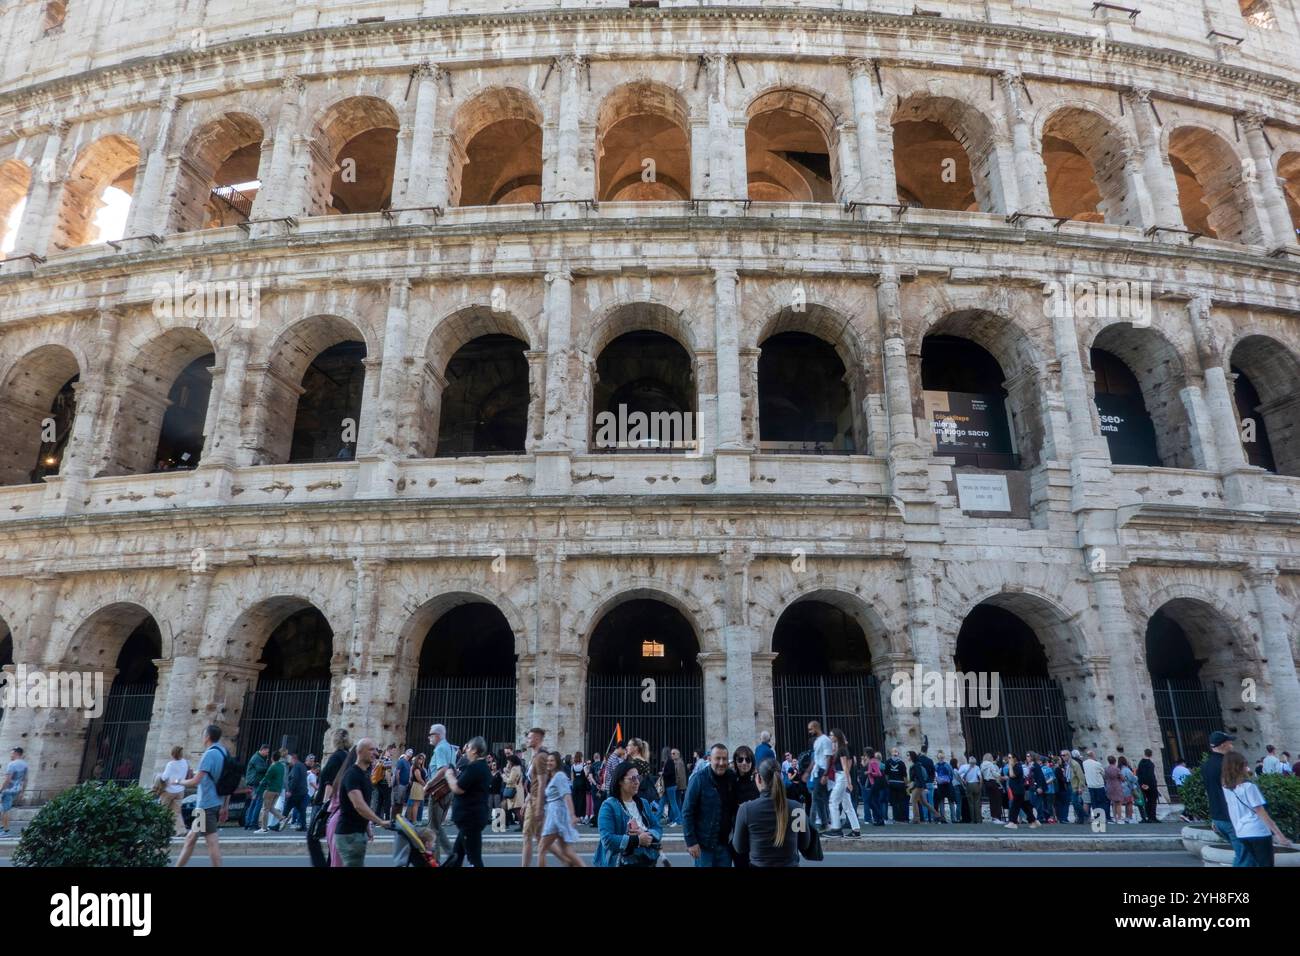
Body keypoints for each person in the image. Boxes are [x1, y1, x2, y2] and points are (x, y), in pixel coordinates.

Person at [732, 757, 810, 867]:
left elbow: (739, 847)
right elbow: (804, 844)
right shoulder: (797, 808)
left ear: (758, 778)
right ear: (781, 777)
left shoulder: (746, 809)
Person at [1221, 750, 1291, 866]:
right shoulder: (1249, 786)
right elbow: (1260, 811)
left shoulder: (1226, 787)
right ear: (1240, 766)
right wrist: (1279, 834)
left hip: (1241, 832)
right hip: (1257, 830)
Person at [176, 725, 232, 867]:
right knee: (190, 838)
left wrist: (178, 781)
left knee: (212, 842)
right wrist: (225, 806)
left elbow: (196, 781)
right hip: (215, 802)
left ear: (207, 737)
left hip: (206, 805)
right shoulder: (224, 752)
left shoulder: (209, 754)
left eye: (202, 735)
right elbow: (228, 781)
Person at [593, 760, 663, 867]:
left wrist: (645, 833)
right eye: (632, 778)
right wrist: (637, 840)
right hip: (619, 862)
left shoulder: (643, 803)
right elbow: (607, 839)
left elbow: (657, 828)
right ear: (620, 781)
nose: (637, 782)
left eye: (638, 778)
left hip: (645, 860)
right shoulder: (609, 806)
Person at [683, 742, 738, 867]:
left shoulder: (732, 778)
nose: (721, 763)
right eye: (717, 758)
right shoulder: (698, 779)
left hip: (725, 845)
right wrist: (691, 842)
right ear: (709, 759)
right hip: (704, 846)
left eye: (724, 759)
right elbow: (687, 811)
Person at [336, 738, 388, 867]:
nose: (375, 753)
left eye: (376, 749)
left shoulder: (365, 774)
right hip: (349, 833)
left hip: (358, 832)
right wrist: (379, 821)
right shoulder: (352, 774)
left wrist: (367, 827)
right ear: (359, 751)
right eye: (371, 749)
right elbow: (358, 805)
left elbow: (364, 804)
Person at [444, 736, 492, 868]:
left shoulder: (475, 767)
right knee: (457, 855)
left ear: (475, 750)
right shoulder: (479, 767)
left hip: (470, 818)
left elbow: (458, 788)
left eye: (469, 748)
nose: (466, 750)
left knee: (474, 858)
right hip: (471, 818)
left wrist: (449, 776)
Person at [1203, 732, 1245, 865]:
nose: (1232, 745)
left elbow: (1209, 791)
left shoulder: (1206, 766)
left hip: (1217, 815)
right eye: (1230, 742)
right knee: (1244, 855)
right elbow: (1238, 790)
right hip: (1231, 815)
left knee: (1242, 854)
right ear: (1224, 745)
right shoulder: (1227, 765)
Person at [538, 751, 586, 867]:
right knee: (566, 851)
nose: (549, 763)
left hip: (556, 815)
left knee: (542, 848)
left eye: (552, 760)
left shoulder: (559, 776)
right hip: (555, 814)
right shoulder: (554, 776)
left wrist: (572, 815)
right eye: (548, 760)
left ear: (557, 762)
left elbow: (567, 795)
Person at [426, 723, 457, 858]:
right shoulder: (451, 748)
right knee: (438, 826)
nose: (429, 737)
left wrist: (428, 784)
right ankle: (452, 854)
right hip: (447, 791)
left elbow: (443, 770)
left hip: (438, 791)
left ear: (437, 736)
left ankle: (435, 861)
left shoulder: (439, 749)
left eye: (431, 734)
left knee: (432, 829)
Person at [827, 729, 860, 837]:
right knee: (847, 805)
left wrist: (849, 782)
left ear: (837, 736)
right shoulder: (840, 748)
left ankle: (836, 829)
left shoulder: (842, 749)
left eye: (832, 735)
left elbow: (846, 767)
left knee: (833, 801)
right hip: (841, 776)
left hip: (841, 777)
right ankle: (856, 829)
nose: (830, 736)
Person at [520, 751, 550, 867]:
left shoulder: (540, 760)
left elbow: (541, 785)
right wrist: (526, 802)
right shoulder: (533, 761)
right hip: (535, 802)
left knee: (532, 837)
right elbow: (535, 786)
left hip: (539, 804)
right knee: (537, 838)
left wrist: (538, 807)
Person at [807, 720, 833, 830]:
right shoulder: (817, 741)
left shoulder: (825, 740)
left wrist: (826, 774)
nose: (809, 731)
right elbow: (816, 759)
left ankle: (823, 822)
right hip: (817, 771)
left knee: (817, 796)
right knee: (820, 797)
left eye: (811, 729)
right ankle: (824, 822)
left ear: (816, 728)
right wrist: (807, 772)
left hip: (822, 770)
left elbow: (828, 757)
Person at [159, 745, 189, 837]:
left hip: (168, 791)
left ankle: (160, 831)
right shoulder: (185, 762)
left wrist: (158, 776)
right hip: (180, 790)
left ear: (172, 754)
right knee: (176, 812)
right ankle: (181, 830)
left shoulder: (170, 764)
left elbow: (164, 777)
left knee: (161, 810)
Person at [1003, 753, 1039, 829]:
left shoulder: (1018, 767)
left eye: (1010, 757)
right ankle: (1034, 821)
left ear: (1015, 758)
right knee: (1025, 807)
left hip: (1018, 790)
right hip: (1016, 790)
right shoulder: (1014, 767)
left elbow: (1012, 775)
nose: (1008, 759)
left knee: (1014, 807)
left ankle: (1013, 822)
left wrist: (1010, 766)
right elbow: (1008, 776)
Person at [255, 749, 286, 833]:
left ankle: (264, 828)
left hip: (270, 789)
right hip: (278, 790)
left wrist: (260, 783)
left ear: (272, 758)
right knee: (271, 807)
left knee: (265, 809)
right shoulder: (281, 766)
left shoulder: (273, 767)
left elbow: (266, 778)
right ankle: (282, 818)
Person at [1, 747, 29, 836]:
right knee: (5, 808)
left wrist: (1, 790)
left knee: (5, 810)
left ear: (16, 753)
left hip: (8, 790)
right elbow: (25, 780)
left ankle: (5, 830)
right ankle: (3, 826)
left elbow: (8, 779)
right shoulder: (25, 765)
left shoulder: (12, 764)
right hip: (16, 790)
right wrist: (22, 792)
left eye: (12, 753)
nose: (10, 755)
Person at [242, 743, 270, 829]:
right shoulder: (257, 758)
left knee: (253, 803)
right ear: (263, 750)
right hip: (256, 783)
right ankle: (253, 823)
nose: (267, 753)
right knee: (258, 803)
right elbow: (260, 769)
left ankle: (248, 823)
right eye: (267, 752)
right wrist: (269, 767)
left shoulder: (258, 757)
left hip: (254, 783)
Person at [908, 751, 940, 824]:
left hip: (918, 786)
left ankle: (916, 818)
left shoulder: (916, 765)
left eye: (908, 756)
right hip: (919, 785)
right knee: (924, 802)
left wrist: (924, 787)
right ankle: (937, 815)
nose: (908, 757)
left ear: (912, 756)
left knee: (913, 801)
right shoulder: (916, 764)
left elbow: (920, 776)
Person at [282, 752, 309, 832]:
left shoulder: (296, 766)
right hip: (302, 791)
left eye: (289, 759)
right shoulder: (302, 766)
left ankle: (279, 823)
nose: (288, 761)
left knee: (287, 808)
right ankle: (303, 825)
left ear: (293, 758)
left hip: (295, 792)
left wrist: (290, 790)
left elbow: (295, 779)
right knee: (301, 809)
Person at [660, 746, 684, 827]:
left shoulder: (671, 762)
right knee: (663, 803)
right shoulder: (670, 761)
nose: (672, 754)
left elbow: (676, 775)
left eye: (674, 753)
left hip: (671, 786)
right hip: (669, 786)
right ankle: (657, 820)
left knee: (674, 803)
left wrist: (662, 773)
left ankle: (678, 820)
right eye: (671, 753)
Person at [1082, 749, 1108, 821]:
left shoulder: (1084, 763)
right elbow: (1103, 774)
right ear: (1093, 755)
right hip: (1099, 785)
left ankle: (1096, 817)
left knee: (1094, 803)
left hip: (1090, 786)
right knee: (1101, 803)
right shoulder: (1097, 764)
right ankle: (1101, 818)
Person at [885, 748, 909, 822]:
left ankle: (896, 817)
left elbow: (886, 774)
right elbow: (904, 775)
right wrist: (907, 784)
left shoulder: (888, 762)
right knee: (901, 801)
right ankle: (902, 817)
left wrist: (888, 782)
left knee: (894, 801)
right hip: (900, 783)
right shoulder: (901, 763)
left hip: (892, 783)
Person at [501, 753, 524, 828]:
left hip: (514, 791)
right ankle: (521, 825)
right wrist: (507, 771)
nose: (508, 763)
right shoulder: (518, 767)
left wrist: (504, 776)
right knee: (516, 809)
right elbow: (513, 777)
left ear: (512, 761)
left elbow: (510, 780)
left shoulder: (514, 768)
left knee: (517, 810)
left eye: (509, 761)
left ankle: (522, 826)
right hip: (518, 790)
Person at [1137, 749, 1160, 822]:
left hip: (1142, 785)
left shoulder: (1140, 763)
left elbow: (1139, 774)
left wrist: (1142, 784)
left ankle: (1147, 817)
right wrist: (1148, 785)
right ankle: (1152, 817)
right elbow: (1150, 775)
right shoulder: (1150, 763)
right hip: (1151, 785)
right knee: (1152, 801)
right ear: (1151, 754)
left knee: (1146, 801)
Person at [980, 753, 1003, 823]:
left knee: (991, 800)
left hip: (986, 783)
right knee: (996, 800)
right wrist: (1000, 775)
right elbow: (994, 773)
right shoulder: (990, 764)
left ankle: (993, 816)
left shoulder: (982, 765)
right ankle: (996, 817)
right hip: (992, 782)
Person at [866, 750, 887, 826]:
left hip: (875, 783)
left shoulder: (872, 762)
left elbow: (878, 773)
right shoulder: (872, 761)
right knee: (875, 801)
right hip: (874, 783)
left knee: (870, 801)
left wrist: (869, 772)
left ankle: (880, 818)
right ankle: (879, 819)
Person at [960, 755, 982, 824]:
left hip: (969, 785)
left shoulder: (965, 767)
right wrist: (980, 786)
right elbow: (980, 778)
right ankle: (978, 820)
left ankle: (972, 820)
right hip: (976, 784)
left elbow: (960, 775)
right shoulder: (977, 767)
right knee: (977, 803)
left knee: (971, 804)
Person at [407, 753, 427, 822]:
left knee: (417, 804)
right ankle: (414, 820)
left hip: (419, 786)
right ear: (417, 759)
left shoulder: (420, 767)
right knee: (416, 804)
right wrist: (425, 785)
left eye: (422, 759)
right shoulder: (416, 768)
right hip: (417, 786)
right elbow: (419, 779)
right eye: (420, 758)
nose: (421, 760)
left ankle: (414, 820)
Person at [570, 751, 588, 823]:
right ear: (581, 757)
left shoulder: (573, 766)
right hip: (582, 784)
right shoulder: (583, 765)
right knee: (582, 800)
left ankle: (575, 815)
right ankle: (581, 816)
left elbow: (572, 777)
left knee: (575, 800)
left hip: (575, 784)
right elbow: (586, 774)